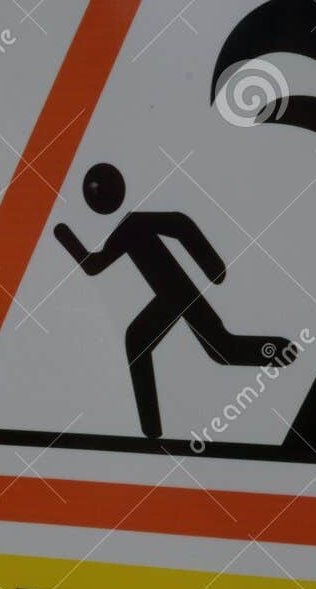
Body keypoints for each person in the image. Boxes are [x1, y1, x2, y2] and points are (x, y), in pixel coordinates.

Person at [53, 162, 294, 438]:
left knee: (210, 348)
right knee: (218, 348)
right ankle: (152, 431)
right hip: (174, 294)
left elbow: (179, 223)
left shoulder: (134, 222)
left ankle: (283, 351)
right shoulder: (126, 228)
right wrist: (65, 237)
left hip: (177, 293)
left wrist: (211, 264)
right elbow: (95, 265)